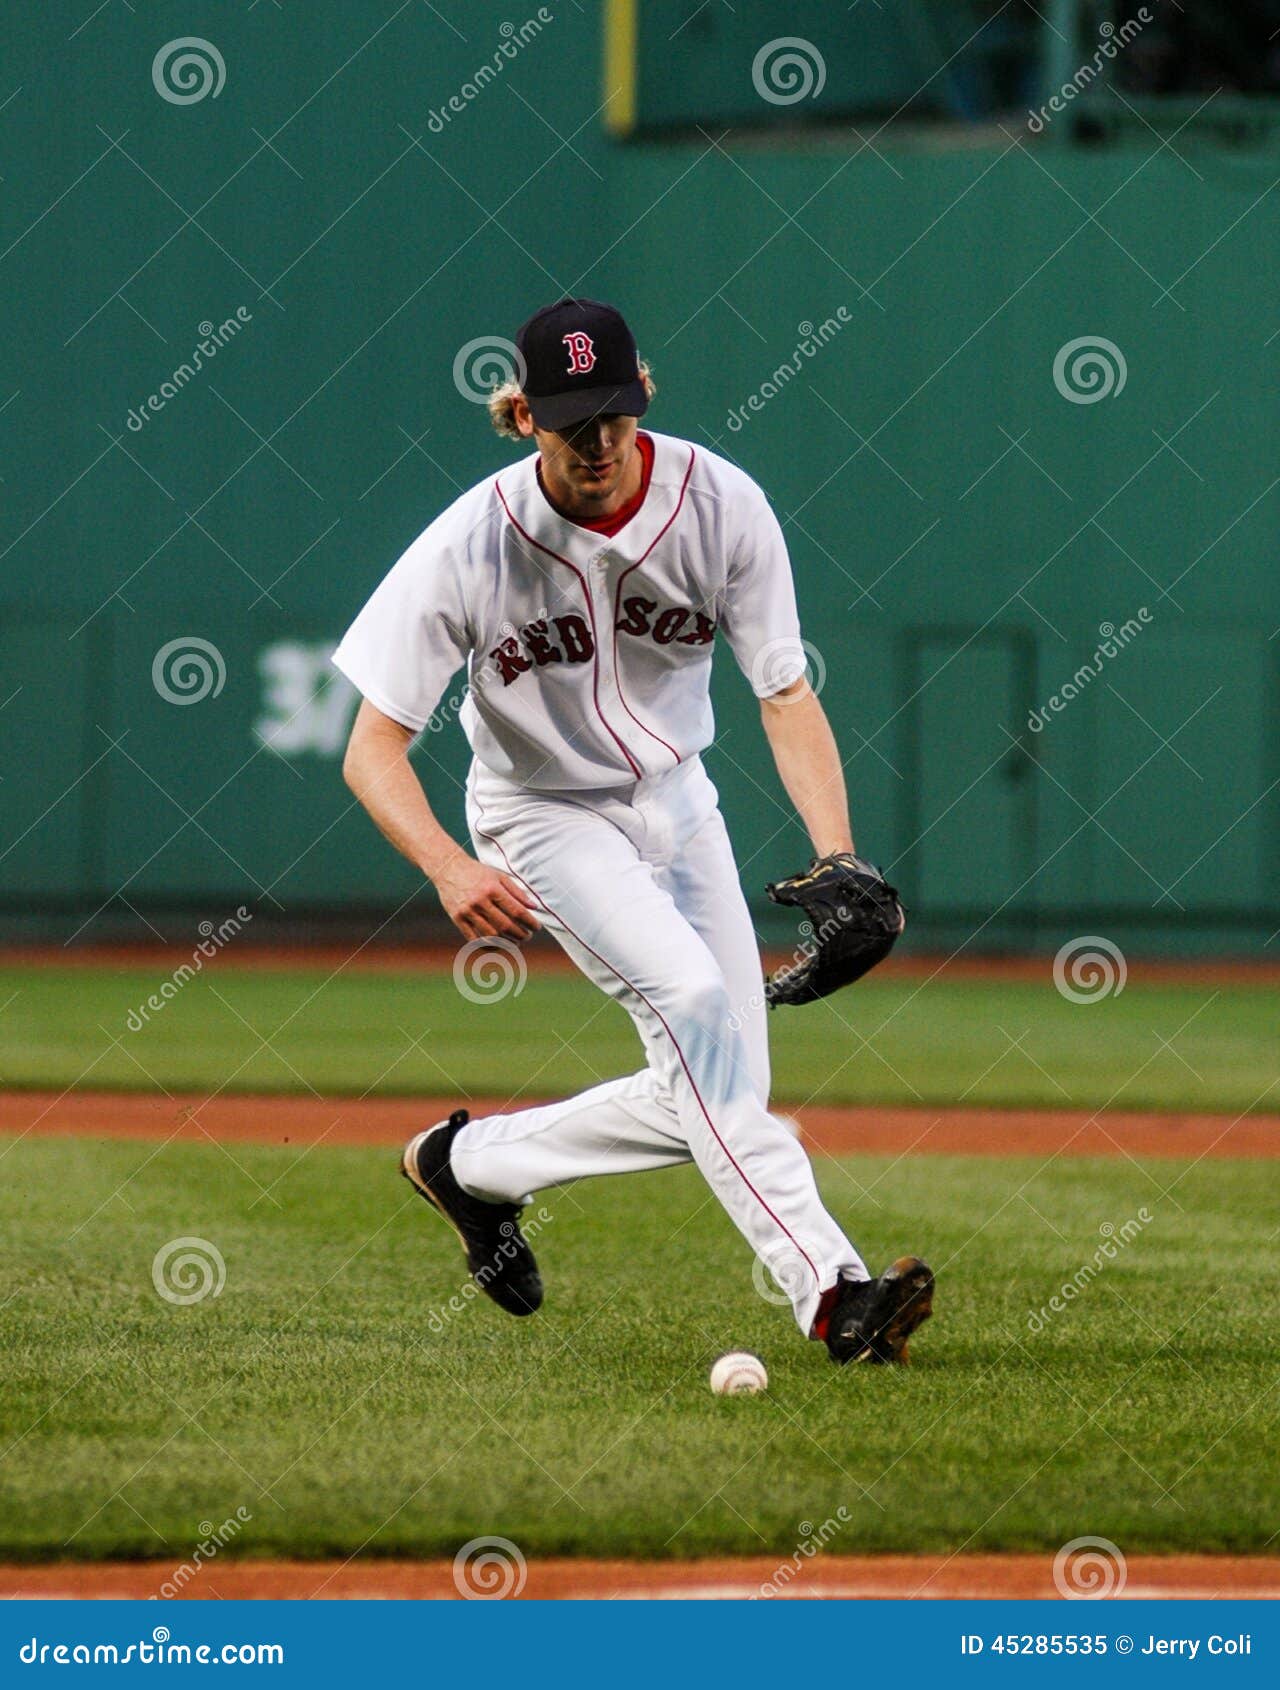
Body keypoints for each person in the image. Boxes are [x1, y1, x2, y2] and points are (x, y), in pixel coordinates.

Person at [334, 298, 932, 1364]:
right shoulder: (470, 545)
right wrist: (443, 863)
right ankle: (835, 1296)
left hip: (679, 798)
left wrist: (837, 851)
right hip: (539, 815)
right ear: (519, 415)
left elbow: (784, 695)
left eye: (613, 413)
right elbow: (369, 745)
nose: (598, 441)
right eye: (570, 420)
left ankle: (468, 1166)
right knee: (695, 1006)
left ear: (641, 396)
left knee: (720, 1088)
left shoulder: (722, 506)